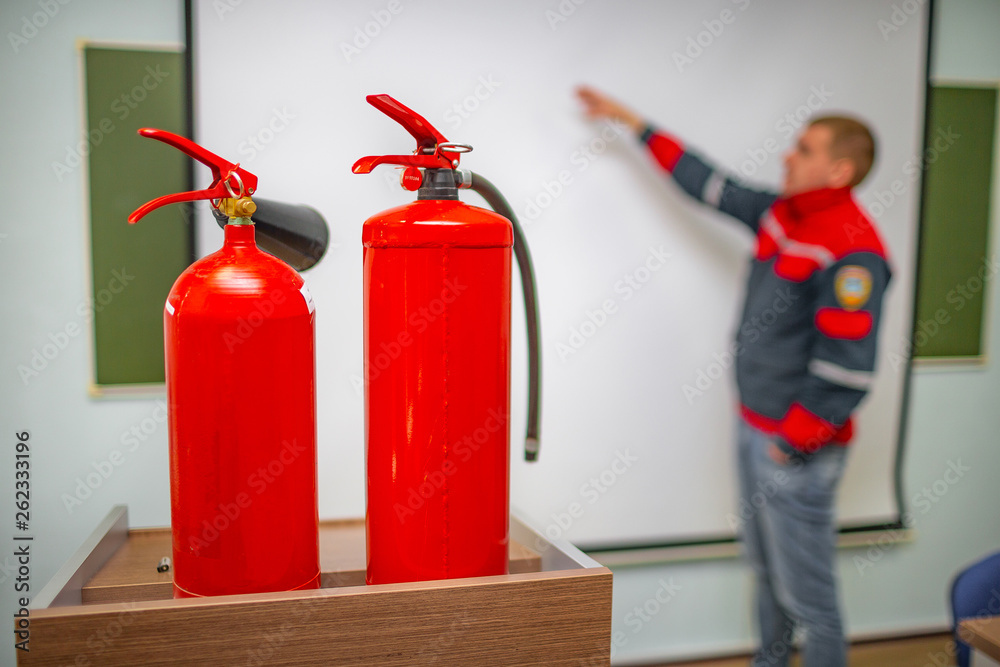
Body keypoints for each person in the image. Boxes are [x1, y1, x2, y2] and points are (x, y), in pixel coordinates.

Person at [576, 86, 891, 667]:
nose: (787, 156)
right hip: (756, 428)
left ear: (839, 169)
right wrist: (634, 121)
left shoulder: (854, 252)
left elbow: (847, 373)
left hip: (793, 449)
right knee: (768, 575)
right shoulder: (782, 213)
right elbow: (708, 183)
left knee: (810, 599)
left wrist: (788, 444)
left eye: (804, 148)